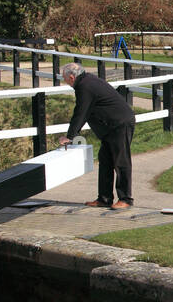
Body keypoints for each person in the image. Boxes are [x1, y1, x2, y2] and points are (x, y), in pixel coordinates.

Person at [57, 62, 136, 209]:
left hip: (120, 124)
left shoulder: (85, 86)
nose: (64, 81)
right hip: (110, 127)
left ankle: (126, 199)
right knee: (105, 161)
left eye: (64, 78)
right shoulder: (87, 81)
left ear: (72, 77)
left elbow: (81, 112)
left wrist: (70, 136)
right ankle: (104, 199)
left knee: (121, 161)